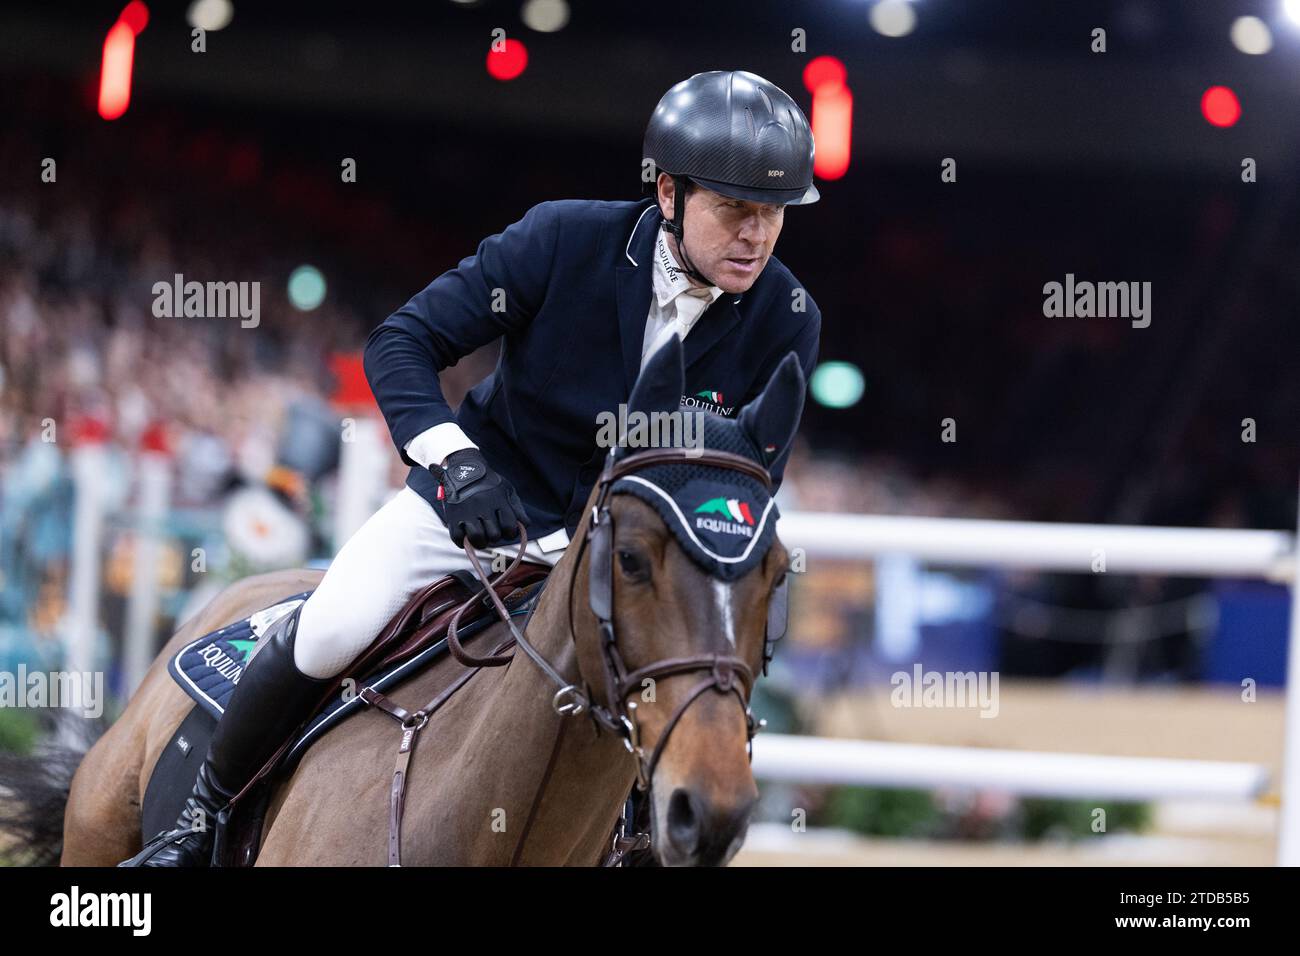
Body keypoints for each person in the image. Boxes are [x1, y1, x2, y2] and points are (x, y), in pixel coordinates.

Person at [127, 69, 823, 866]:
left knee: (670, 696)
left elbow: (739, 480)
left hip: (616, 561)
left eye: (773, 215)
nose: (757, 237)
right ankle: (198, 827)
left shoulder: (787, 316)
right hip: (473, 509)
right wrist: (457, 464)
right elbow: (402, 344)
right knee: (333, 624)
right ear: (668, 193)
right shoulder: (563, 242)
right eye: (735, 209)